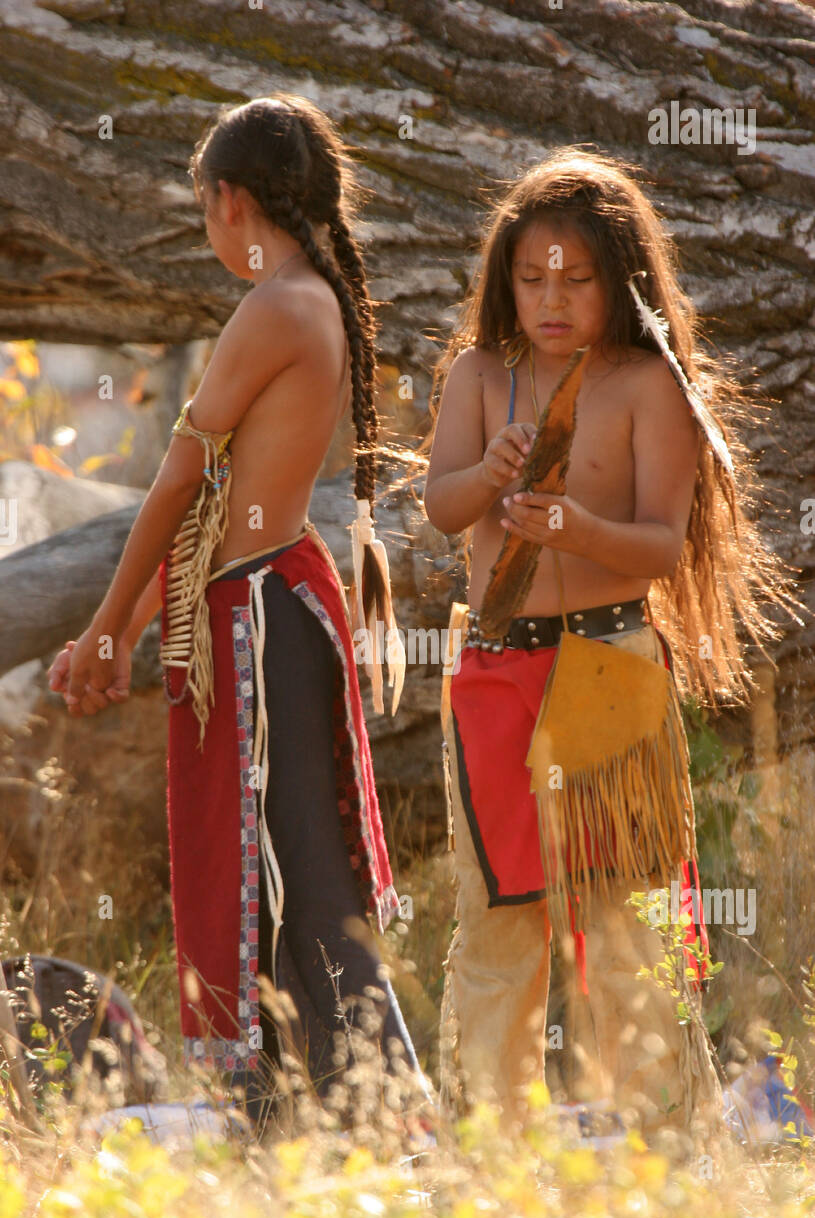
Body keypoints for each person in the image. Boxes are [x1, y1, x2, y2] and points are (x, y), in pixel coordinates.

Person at [47, 94, 428, 1137]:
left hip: (260, 612)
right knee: (285, 866)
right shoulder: (307, 299)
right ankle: (295, 1113)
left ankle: (383, 1115)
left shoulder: (274, 306)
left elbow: (177, 479)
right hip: (259, 605)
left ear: (228, 200)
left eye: (203, 203)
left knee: (299, 863)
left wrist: (108, 630)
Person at [424, 149, 803, 1148]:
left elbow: (658, 544)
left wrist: (573, 531)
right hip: (499, 671)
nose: (551, 298)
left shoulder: (645, 386)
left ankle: (660, 1143)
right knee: (501, 921)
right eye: (532, 277)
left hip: (609, 667)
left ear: (619, 280)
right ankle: (496, 1153)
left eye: (577, 279)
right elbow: (438, 506)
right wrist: (487, 475)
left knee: (626, 923)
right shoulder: (475, 373)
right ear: (504, 276)